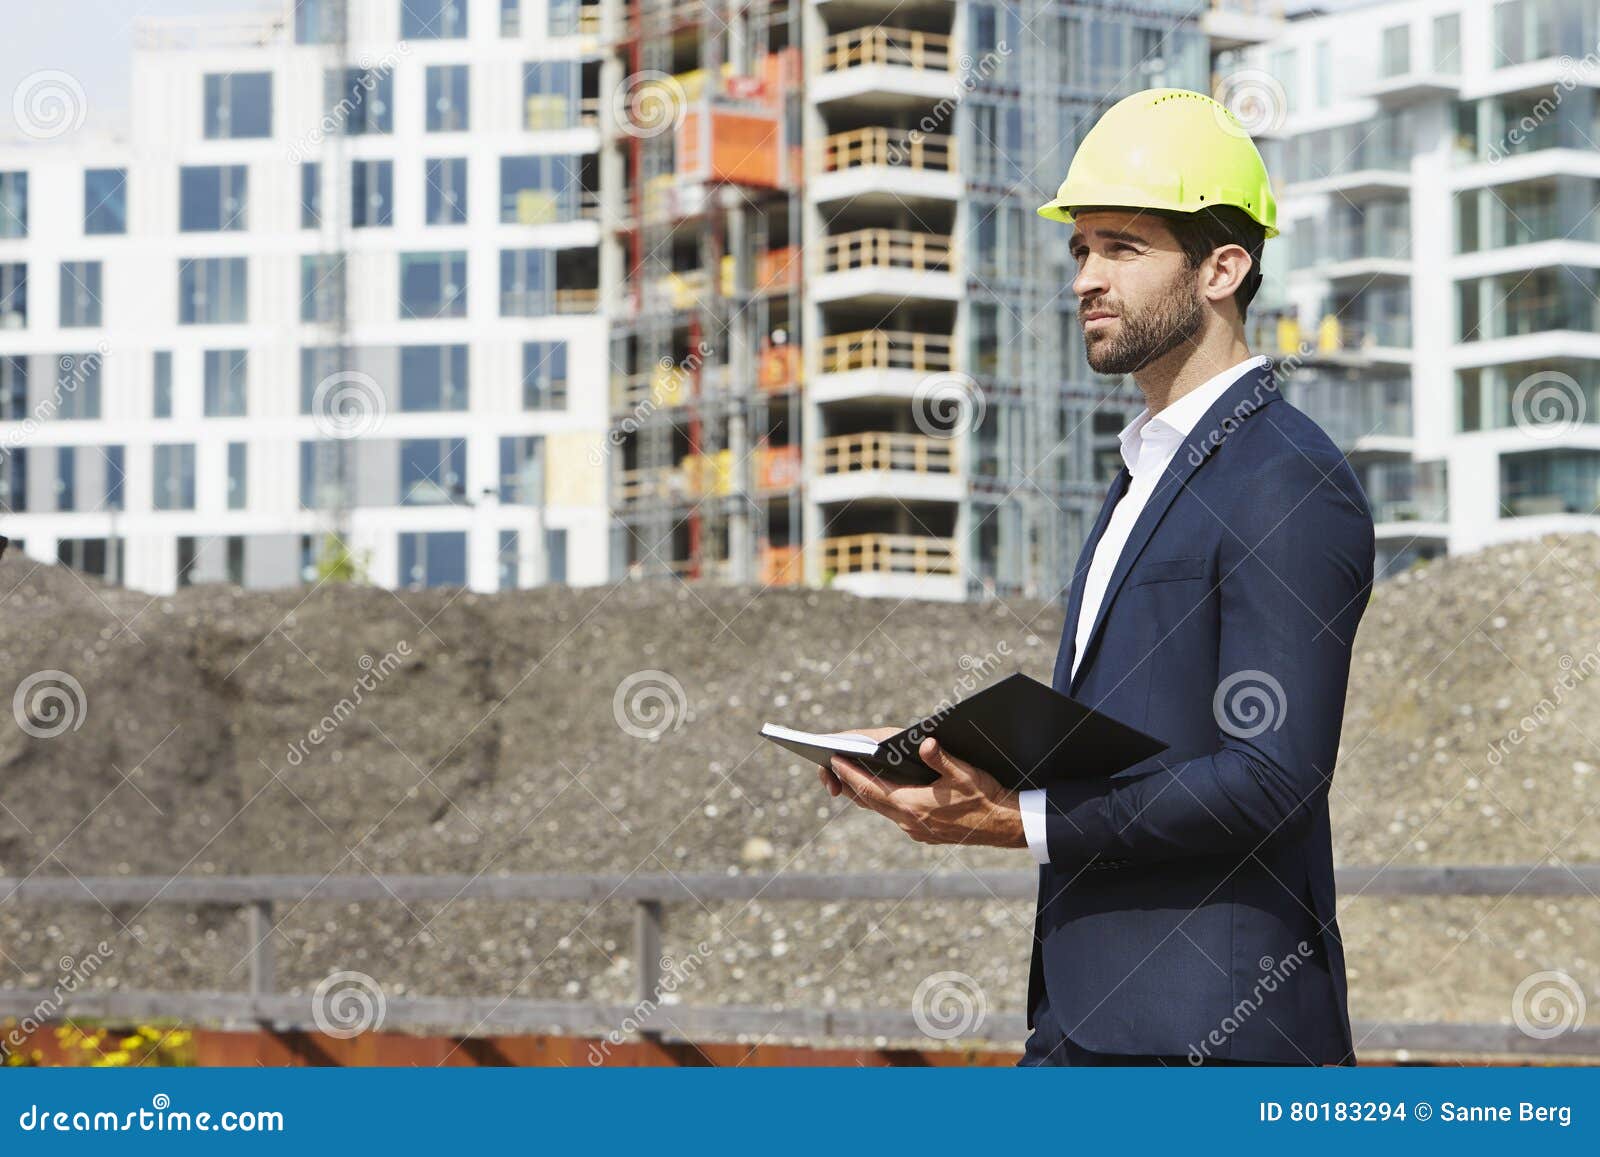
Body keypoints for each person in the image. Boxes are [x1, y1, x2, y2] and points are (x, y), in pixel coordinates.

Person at [819, 88, 1375, 1067]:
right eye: (1079, 250)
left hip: (1213, 1043)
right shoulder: (1147, 468)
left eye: (1122, 247)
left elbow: (1271, 777)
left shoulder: (1285, 478)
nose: (1085, 276)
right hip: (1082, 1028)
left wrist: (1015, 820)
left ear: (1221, 268)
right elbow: (1128, 742)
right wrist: (942, 754)